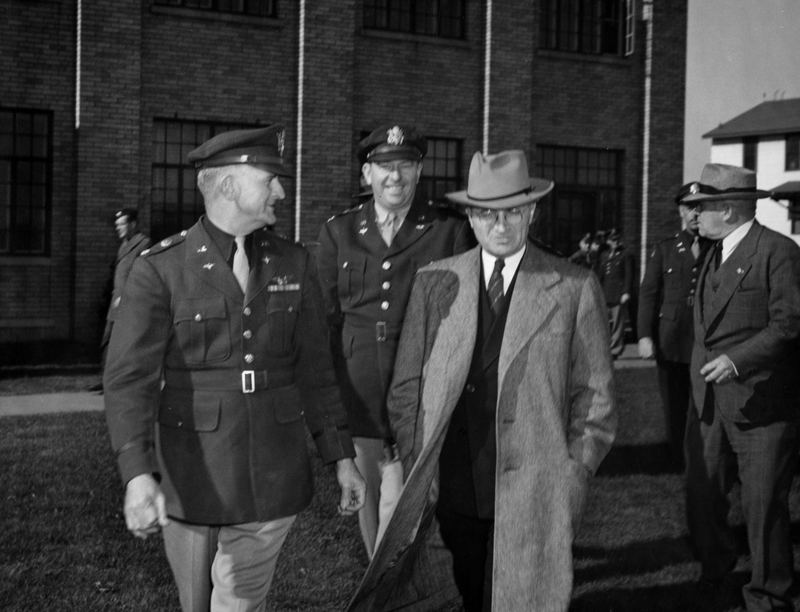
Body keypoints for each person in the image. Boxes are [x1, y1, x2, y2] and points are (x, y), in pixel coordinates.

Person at [103, 125, 366, 612]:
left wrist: (342, 456)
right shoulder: (161, 268)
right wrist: (137, 473)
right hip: (191, 470)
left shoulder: (294, 263)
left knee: (240, 600)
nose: (281, 191)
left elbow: (316, 370)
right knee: (195, 603)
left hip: (273, 466)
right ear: (227, 186)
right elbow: (128, 382)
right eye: (270, 180)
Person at [347, 150, 617, 612]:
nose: (502, 225)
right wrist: (419, 464)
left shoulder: (573, 286)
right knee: (466, 589)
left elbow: (595, 399)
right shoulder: (436, 282)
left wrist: (573, 473)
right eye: (488, 213)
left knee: (523, 598)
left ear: (532, 211)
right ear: (470, 217)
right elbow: (406, 386)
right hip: (454, 484)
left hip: (536, 485)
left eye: (514, 211)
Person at [315, 123, 474, 558]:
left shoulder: (448, 231)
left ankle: (390, 585)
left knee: (406, 508)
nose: (395, 177)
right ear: (366, 174)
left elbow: (461, 321)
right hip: (358, 393)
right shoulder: (338, 232)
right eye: (384, 166)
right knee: (368, 506)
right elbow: (324, 318)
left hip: (419, 393)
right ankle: (382, 583)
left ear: (420, 171)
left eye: (405, 165)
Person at [683, 163, 800, 612]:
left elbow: (788, 323)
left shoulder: (778, 251)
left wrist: (737, 360)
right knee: (702, 494)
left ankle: (770, 593)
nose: (694, 215)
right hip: (709, 402)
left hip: (761, 405)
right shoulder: (712, 251)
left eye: (702, 207)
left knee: (763, 505)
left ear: (729, 210)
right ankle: (716, 572)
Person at [637, 183, 711, 468]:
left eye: (700, 207)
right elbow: (648, 294)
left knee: (705, 402)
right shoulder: (665, 249)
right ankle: (677, 457)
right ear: (681, 210)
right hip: (671, 339)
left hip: (705, 339)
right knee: (674, 402)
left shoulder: (717, 247)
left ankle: (706, 455)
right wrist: (644, 336)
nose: (695, 213)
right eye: (690, 207)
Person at [95, 208, 151, 388]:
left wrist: (126, 296)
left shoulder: (143, 244)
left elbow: (143, 275)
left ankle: (117, 382)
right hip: (116, 303)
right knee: (108, 341)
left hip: (130, 304)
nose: (117, 228)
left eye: (121, 224)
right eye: (116, 225)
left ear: (133, 224)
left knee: (125, 344)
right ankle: (107, 380)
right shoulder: (124, 244)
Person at [598, 228, 635, 358]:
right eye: (613, 240)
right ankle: (604, 347)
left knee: (618, 323)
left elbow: (629, 275)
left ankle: (615, 350)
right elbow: (600, 274)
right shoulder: (604, 255)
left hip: (618, 294)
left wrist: (626, 292)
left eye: (617, 240)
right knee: (603, 321)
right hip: (605, 292)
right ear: (608, 242)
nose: (616, 242)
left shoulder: (625, 254)